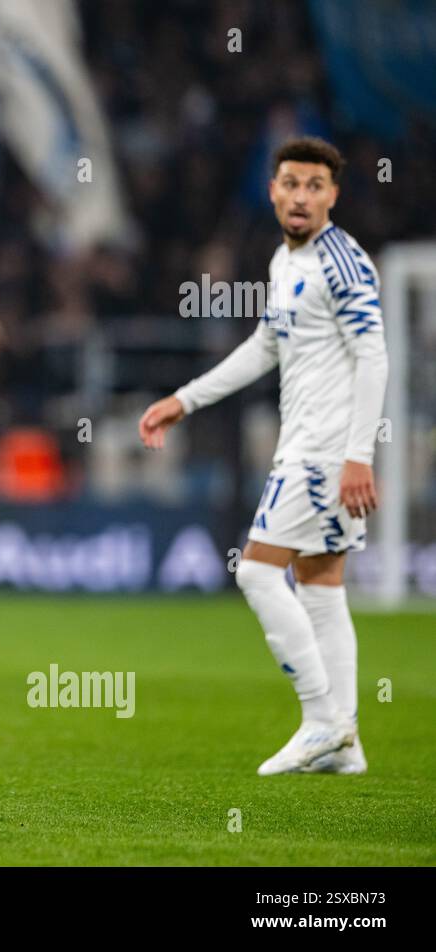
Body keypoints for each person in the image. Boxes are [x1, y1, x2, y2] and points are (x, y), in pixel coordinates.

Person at [139, 137, 387, 775]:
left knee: (254, 572)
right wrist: (185, 400)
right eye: (291, 183)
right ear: (272, 190)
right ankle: (346, 743)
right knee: (321, 586)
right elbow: (264, 346)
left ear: (333, 195)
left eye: (315, 185)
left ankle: (321, 719)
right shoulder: (285, 261)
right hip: (312, 447)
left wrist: (359, 454)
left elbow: (373, 355)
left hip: (323, 453)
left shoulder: (344, 262)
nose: (301, 196)